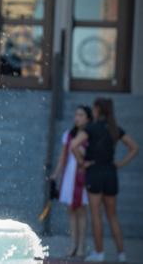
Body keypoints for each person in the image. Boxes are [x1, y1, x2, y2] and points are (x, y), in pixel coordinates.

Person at [71, 98, 138, 263]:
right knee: (113, 215)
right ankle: (121, 253)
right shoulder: (115, 129)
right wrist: (120, 163)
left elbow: (73, 145)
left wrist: (82, 163)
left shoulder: (91, 128)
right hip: (110, 173)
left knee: (96, 216)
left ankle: (99, 253)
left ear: (97, 109)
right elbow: (135, 147)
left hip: (94, 173)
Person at [49, 105, 93, 258]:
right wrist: (56, 174)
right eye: (76, 115)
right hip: (69, 174)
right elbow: (63, 155)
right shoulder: (69, 134)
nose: (77, 118)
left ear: (88, 118)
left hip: (84, 174)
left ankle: (82, 245)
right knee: (71, 209)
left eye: (81, 115)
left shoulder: (91, 134)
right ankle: (73, 244)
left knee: (81, 210)